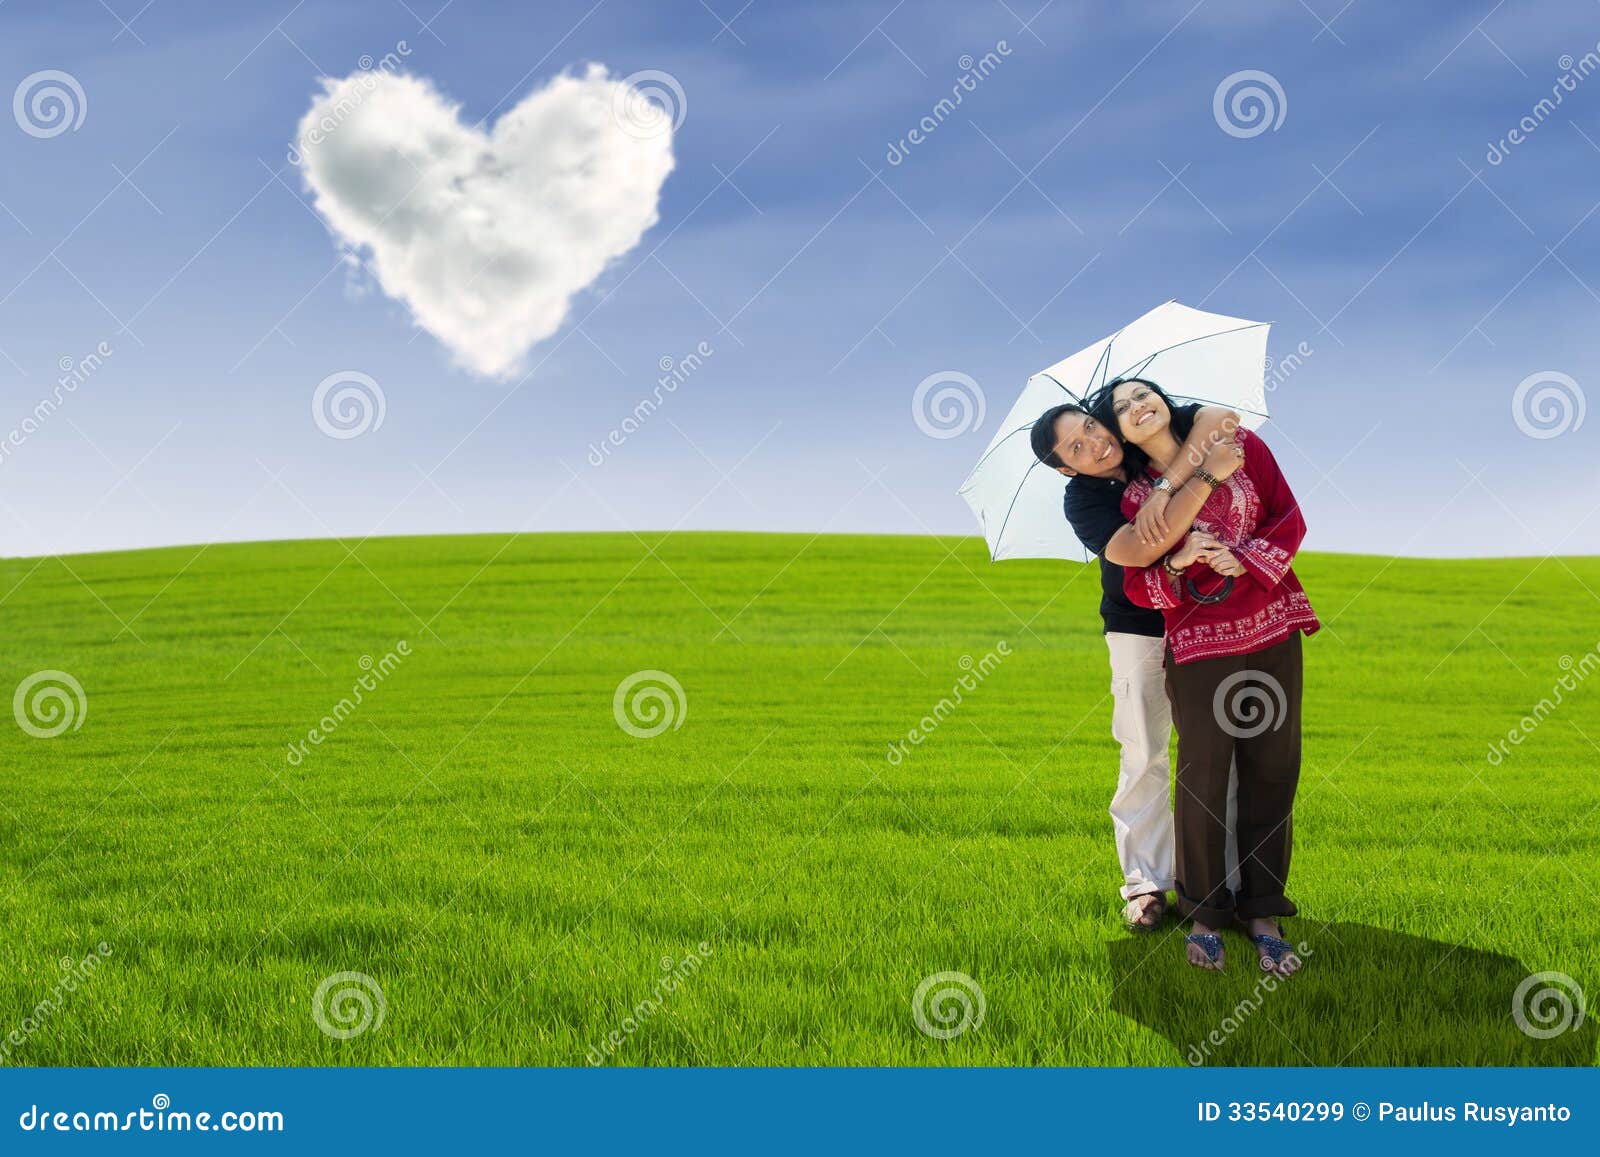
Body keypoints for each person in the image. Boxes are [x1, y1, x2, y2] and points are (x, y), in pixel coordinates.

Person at [1098, 377, 1317, 975]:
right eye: (1122, 408)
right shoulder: (1138, 499)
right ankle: (1204, 912)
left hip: (1272, 626)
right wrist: (1179, 559)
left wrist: (1240, 558)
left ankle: (1264, 911)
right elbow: (1139, 582)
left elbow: (1288, 517)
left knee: (1273, 766)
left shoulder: (1240, 444)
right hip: (1199, 645)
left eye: (1144, 395)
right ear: (1120, 432)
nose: (1137, 407)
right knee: (1204, 774)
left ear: (1165, 403)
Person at [1028, 394, 1242, 933]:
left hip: (1207, 617)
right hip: (1136, 627)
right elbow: (1133, 551)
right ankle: (1147, 884)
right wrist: (1199, 482)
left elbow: (1220, 419)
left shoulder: (1143, 431)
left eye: (1092, 426)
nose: (1097, 443)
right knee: (1144, 748)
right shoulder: (1082, 501)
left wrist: (1167, 487)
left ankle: (1233, 883)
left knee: (1223, 750)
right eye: (1077, 447)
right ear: (1063, 468)